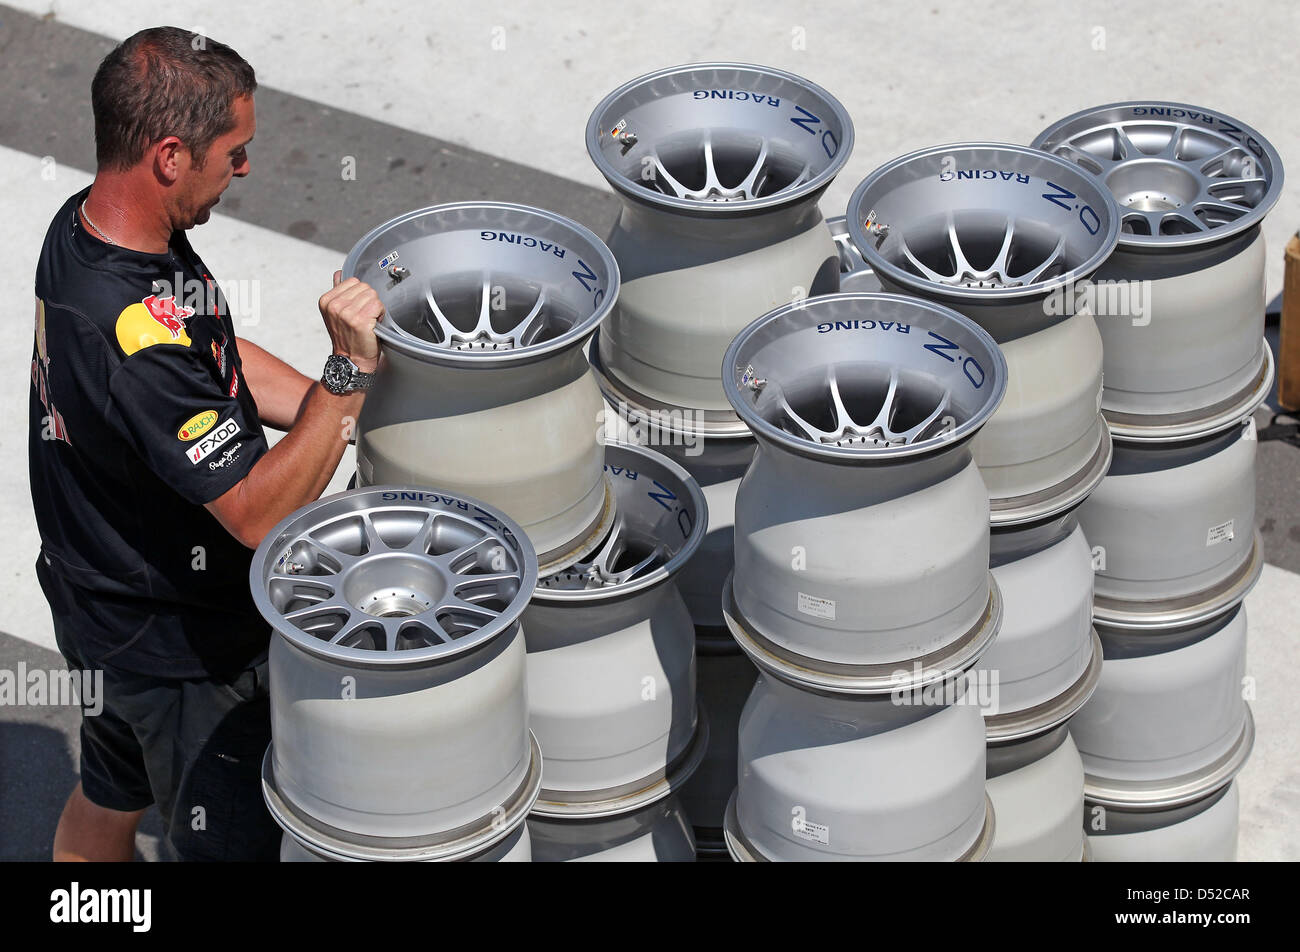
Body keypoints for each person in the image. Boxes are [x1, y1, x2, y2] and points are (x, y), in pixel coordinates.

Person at [29, 26, 385, 861]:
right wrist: (346, 379)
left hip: (101, 602)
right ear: (168, 156)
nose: (247, 169)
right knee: (225, 834)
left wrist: (328, 411)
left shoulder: (95, 228)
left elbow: (212, 352)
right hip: (175, 643)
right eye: (235, 152)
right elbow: (259, 515)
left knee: (112, 787)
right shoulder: (131, 336)